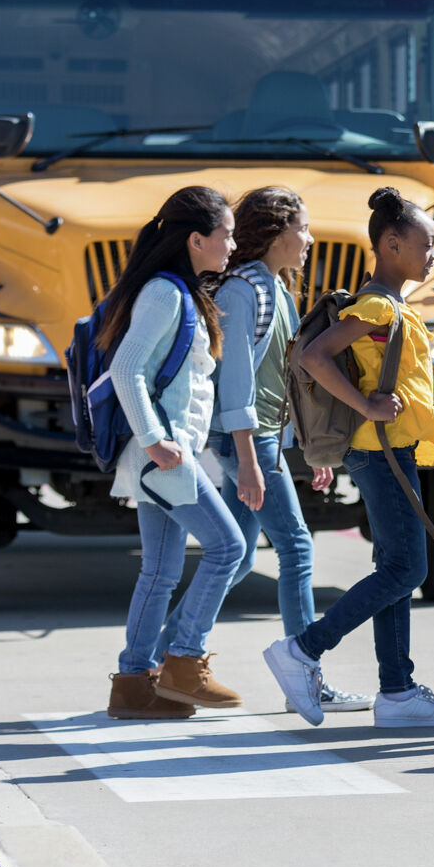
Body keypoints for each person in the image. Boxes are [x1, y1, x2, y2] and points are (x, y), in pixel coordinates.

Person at [261, 187, 434, 728]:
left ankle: (397, 692)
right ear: (392, 244)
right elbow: (313, 356)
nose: (433, 256)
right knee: (408, 567)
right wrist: (366, 405)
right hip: (381, 454)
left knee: (394, 568)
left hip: (389, 451)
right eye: (426, 245)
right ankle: (303, 650)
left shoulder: (392, 304)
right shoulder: (377, 304)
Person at [153, 186, 366, 713]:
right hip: (245, 441)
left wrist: (308, 451)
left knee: (241, 556)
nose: (310, 239)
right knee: (296, 548)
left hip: (263, 441)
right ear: (275, 233)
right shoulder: (242, 292)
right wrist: (251, 462)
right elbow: (238, 387)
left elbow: (288, 383)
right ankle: (304, 676)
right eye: (302, 229)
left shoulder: (274, 289)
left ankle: (157, 660)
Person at [103, 186, 247, 719]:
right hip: (164, 456)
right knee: (228, 549)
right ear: (195, 239)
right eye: (226, 235)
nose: (233, 244)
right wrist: (154, 440)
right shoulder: (165, 294)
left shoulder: (180, 292)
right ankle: (184, 659)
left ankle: (135, 683)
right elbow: (126, 368)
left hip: (162, 457)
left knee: (160, 573)